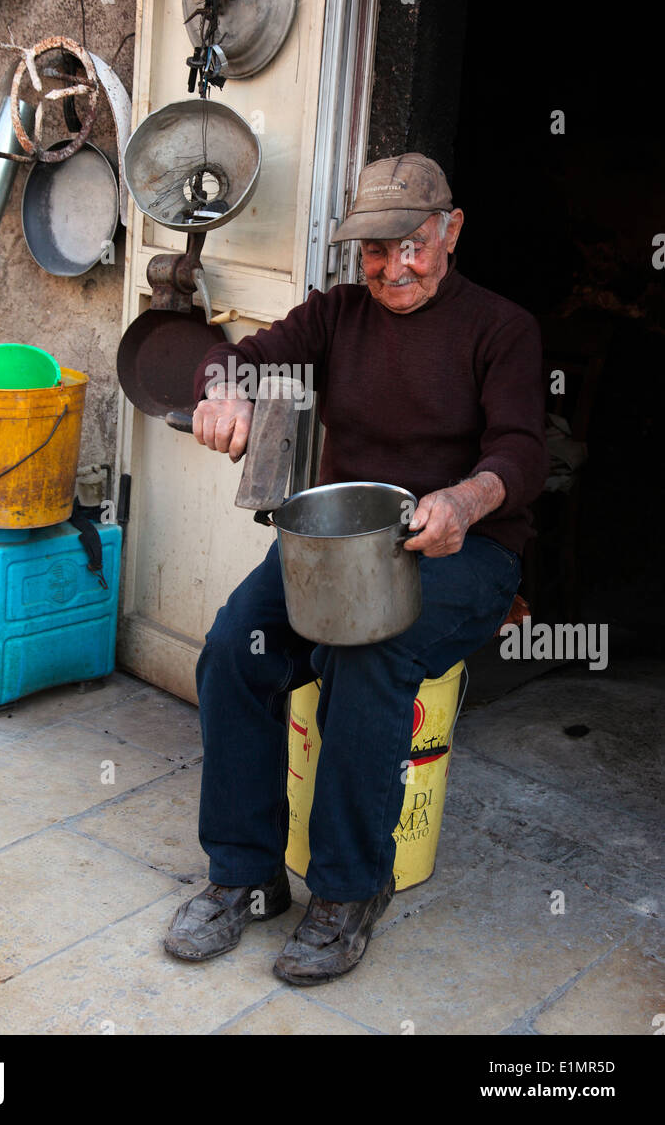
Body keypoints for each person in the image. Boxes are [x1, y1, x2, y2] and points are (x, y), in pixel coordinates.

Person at [163, 152, 549, 985]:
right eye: (375, 250)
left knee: (368, 653)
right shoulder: (336, 315)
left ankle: (347, 892)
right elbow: (241, 356)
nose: (393, 266)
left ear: (450, 232)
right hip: (340, 547)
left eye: (412, 243)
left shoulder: (502, 328)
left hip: (465, 549)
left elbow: (522, 450)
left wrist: (468, 500)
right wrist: (225, 389)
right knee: (235, 649)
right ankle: (243, 874)